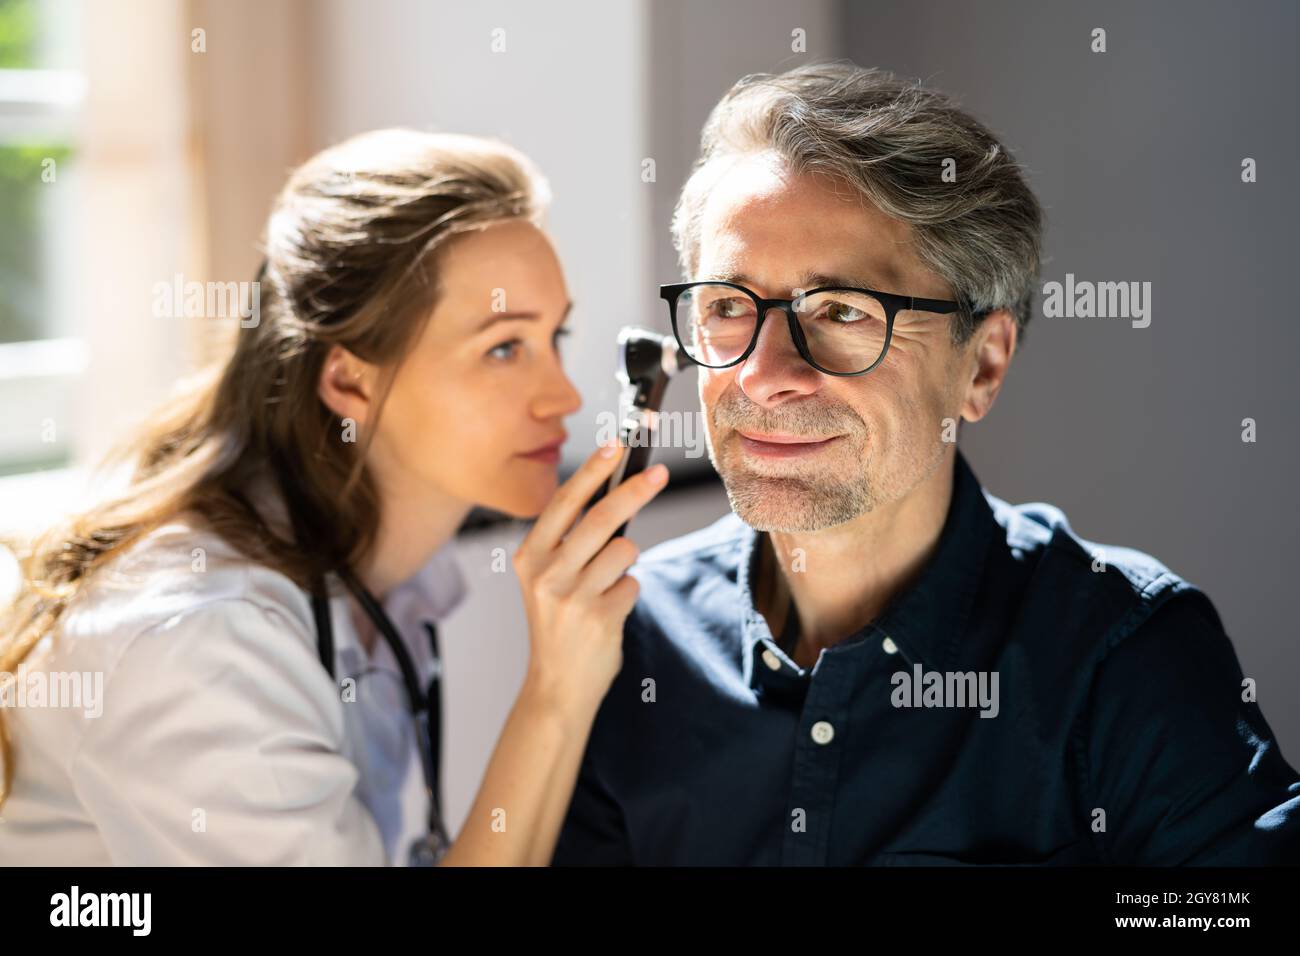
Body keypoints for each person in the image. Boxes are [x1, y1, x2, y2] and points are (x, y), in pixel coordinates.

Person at [551, 62, 1300, 866]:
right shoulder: (630, 634)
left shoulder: (1123, 658)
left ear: (980, 365)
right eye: (729, 308)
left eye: (840, 311)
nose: (763, 376)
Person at [0, 128, 669, 865]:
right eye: (504, 348)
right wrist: (557, 689)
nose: (565, 395)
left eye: (556, 337)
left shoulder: (389, 575)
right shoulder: (204, 647)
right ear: (350, 380)